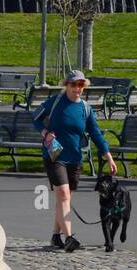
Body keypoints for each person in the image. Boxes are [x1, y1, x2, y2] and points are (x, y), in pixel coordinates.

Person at [34, 70, 117, 253]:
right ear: (67, 85)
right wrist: (44, 132)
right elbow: (36, 117)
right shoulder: (55, 102)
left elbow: (95, 133)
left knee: (64, 197)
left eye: (81, 85)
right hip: (54, 156)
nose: (77, 88)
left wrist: (108, 155)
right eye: (74, 85)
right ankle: (69, 238)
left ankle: (56, 235)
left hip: (74, 158)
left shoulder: (85, 109)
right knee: (63, 194)